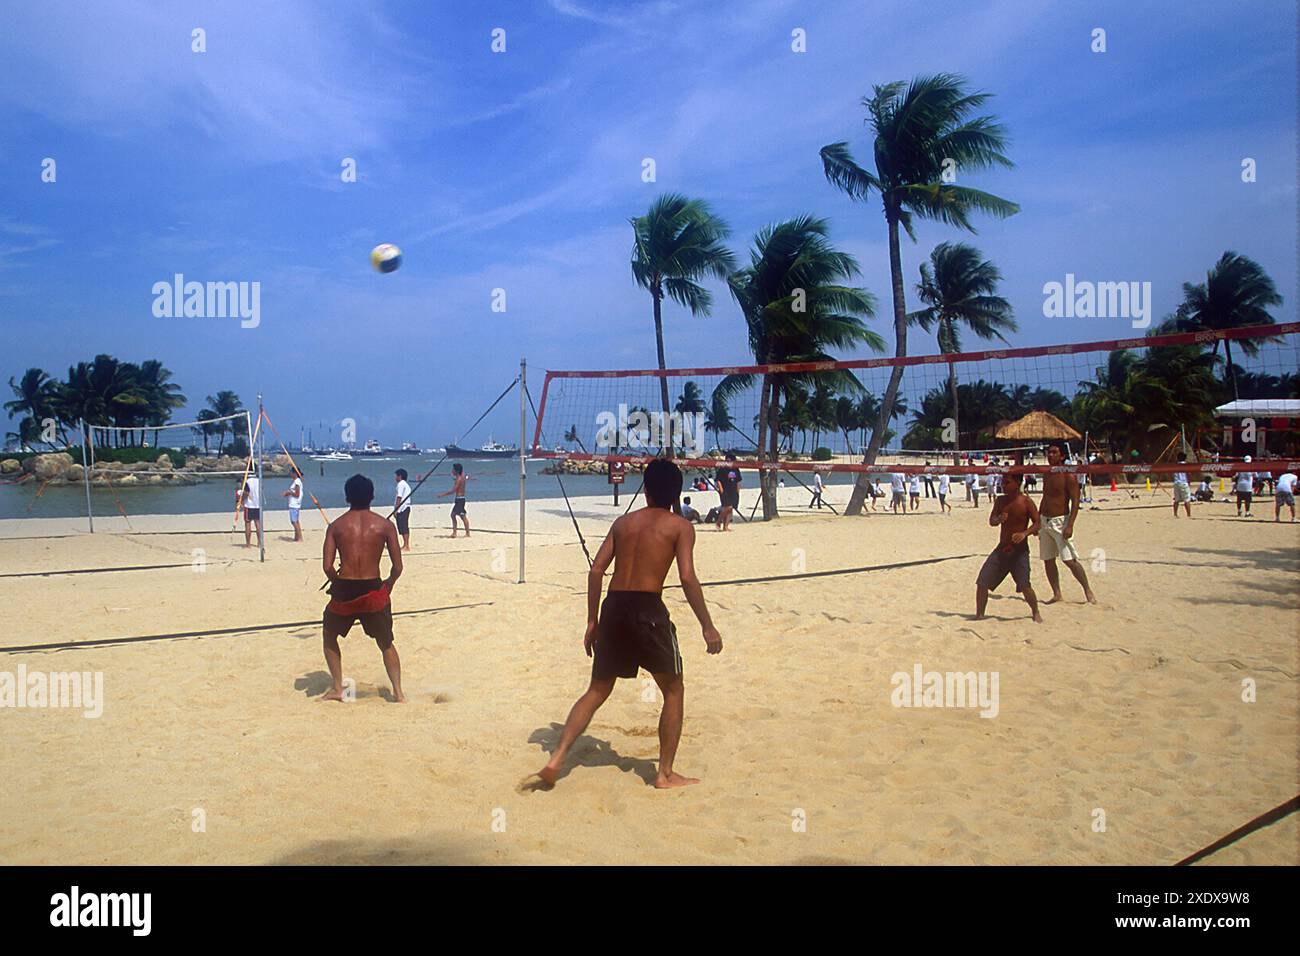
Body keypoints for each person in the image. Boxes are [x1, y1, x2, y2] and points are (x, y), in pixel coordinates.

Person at [529, 459, 722, 790]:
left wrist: (592, 620)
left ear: (645, 490)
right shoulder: (680, 527)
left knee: (597, 690)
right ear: (676, 493)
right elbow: (687, 577)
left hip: (614, 607)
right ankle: (664, 774)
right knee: (673, 689)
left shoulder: (623, 523)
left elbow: (595, 571)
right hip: (647, 609)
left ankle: (557, 758)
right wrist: (707, 625)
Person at [321, 474, 404, 703]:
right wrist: (388, 585)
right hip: (372, 588)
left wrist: (336, 580)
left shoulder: (336, 526)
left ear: (347, 497)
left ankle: (338, 687)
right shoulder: (385, 525)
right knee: (385, 641)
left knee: (329, 635)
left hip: (344, 589)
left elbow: (327, 566)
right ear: (373, 496)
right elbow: (397, 567)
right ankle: (398, 692)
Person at [975, 472, 1042, 623]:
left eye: (1007, 483)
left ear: (1017, 483)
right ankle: (979, 615)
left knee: (1025, 586)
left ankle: (1036, 612)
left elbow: (1038, 523)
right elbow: (991, 521)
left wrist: (1024, 533)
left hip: (1020, 551)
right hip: (1002, 549)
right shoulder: (1000, 501)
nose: (1003, 485)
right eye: (1003, 482)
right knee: (982, 582)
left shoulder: (1026, 502)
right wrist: (998, 519)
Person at [1039, 442, 1098, 605]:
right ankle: (1057, 593)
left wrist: (1070, 524)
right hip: (1045, 520)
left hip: (1060, 520)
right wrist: (1038, 520)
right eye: (1048, 452)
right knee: (1048, 559)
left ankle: (1087, 590)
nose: (1050, 455)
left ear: (1061, 456)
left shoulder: (1068, 475)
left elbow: (1075, 500)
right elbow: (1045, 497)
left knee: (1069, 560)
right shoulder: (1047, 474)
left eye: (1054, 452)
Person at [437, 463, 471, 538]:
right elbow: (464, 475)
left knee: (462, 516)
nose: (452, 471)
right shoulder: (462, 477)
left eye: (453, 469)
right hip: (460, 499)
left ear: (456, 470)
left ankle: (465, 533)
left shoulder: (459, 479)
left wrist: (442, 495)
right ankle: (456, 532)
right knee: (454, 515)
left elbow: (453, 490)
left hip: (459, 499)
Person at [714, 453, 741, 531]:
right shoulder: (722, 469)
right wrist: (721, 490)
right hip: (725, 491)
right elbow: (718, 480)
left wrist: (738, 491)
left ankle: (725, 527)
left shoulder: (736, 469)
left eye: (730, 460)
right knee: (727, 508)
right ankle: (718, 521)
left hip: (733, 491)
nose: (728, 462)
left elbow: (738, 480)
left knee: (731, 509)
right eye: (727, 460)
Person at [239, 471, 262, 549]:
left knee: (248, 524)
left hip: (249, 505)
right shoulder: (259, 480)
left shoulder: (247, 481)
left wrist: (241, 501)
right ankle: (259, 542)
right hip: (258, 504)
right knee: (258, 523)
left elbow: (246, 492)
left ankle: (248, 544)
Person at [282, 467, 305, 541]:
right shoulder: (296, 481)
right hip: (294, 503)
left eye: (291, 472)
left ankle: (300, 537)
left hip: (294, 504)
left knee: (294, 521)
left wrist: (289, 492)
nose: (290, 474)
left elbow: (297, 494)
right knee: (296, 521)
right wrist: (288, 493)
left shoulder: (297, 482)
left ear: (294, 473)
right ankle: (297, 537)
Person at [393, 469, 414, 550]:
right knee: (403, 526)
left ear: (400, 476)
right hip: (405, 507)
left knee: (403, 526)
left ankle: (406, 545)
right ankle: (406, 544)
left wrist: (396, 509)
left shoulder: (401, 484)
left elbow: (399, 497)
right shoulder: (405, 484)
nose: (395, 478)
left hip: (403, 508)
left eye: (396, 476)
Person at [1171, 453, 1192, 518]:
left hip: (1176, 483)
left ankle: (1175, 514)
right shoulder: (1186, 465)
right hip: (1183, 482)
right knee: (1187, 500)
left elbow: (1172, 474)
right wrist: (1189, 482)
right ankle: (1188, 514)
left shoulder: (1175, 465)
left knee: (1176, 500)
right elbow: (1188, 474)